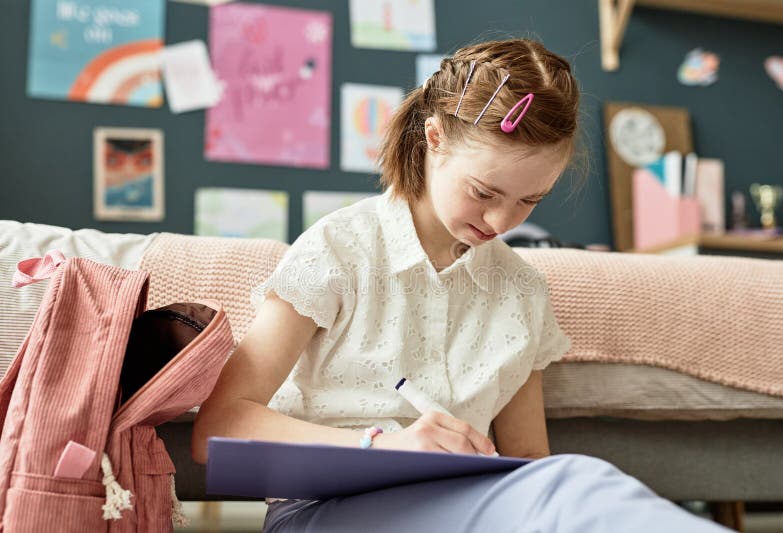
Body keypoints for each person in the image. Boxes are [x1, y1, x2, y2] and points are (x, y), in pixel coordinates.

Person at [192, 38, 730, 533]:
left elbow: (530, 469)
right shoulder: (339, 249)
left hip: (465, 504)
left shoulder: (521, 293)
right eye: (484, 191)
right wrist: (382, 448)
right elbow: (218, 427)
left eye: (528, 202)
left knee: (573, 481)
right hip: (320, 511)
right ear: (434, 138)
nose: (499, 223)